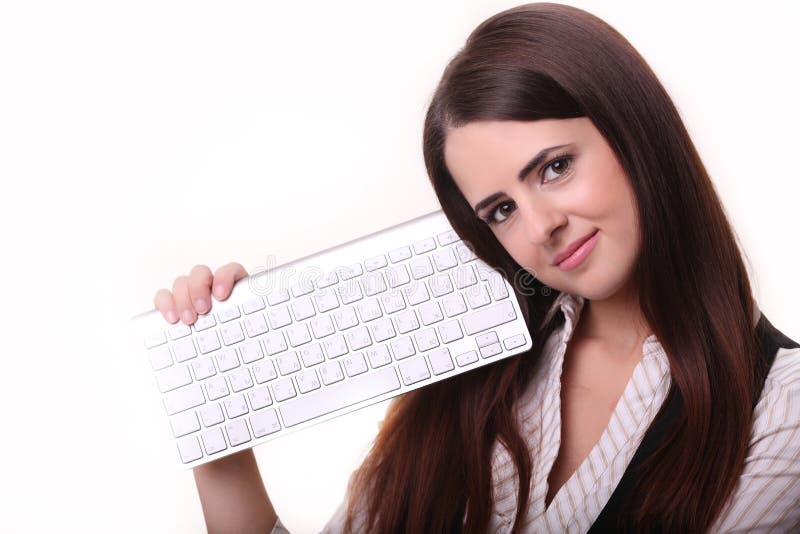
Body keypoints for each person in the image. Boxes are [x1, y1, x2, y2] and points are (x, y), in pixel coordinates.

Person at [152, 3, 800, 532]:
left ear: (634, 128)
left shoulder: (783, 406)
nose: (540, 226)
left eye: (554, 167)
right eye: (499, 210)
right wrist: (222, 435)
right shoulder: (475, 367)